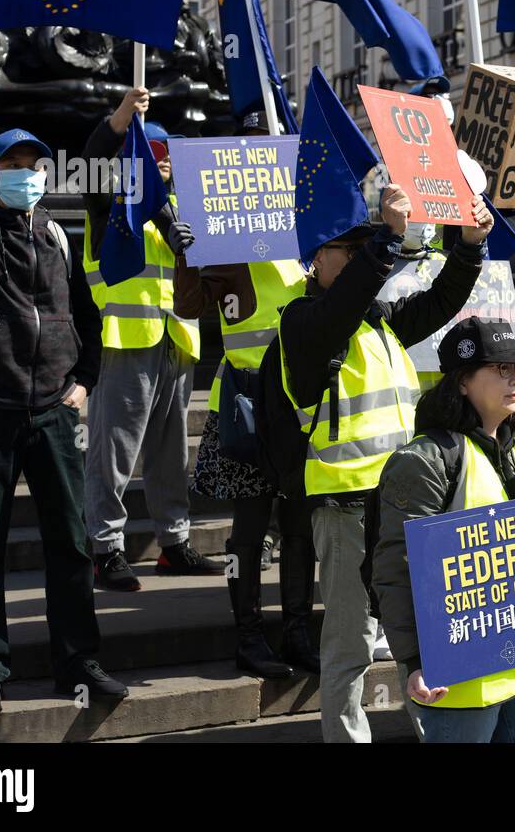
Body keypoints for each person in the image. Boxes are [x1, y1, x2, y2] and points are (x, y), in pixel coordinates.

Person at [266, 187, 492, 742]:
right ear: (317, 259)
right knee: (349, 647)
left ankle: (431, 731)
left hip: (402, 510)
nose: (370, 256)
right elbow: (337, 308)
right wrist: (388, 237)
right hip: (346, 512)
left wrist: (469, 246)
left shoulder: (381, 321)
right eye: (353, 248)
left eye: (370, 246)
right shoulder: (304, 324)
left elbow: (442, 300)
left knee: (418, 634)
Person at [0, 72, 126, 715]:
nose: (27, 175)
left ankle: (79, 660)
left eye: (34, 166)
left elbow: (86, 315)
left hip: (51, 413)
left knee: (71, 544)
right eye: (13, 166)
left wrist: (85, 382)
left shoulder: (55, 236)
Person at [372, 318, 515, 743]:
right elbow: (395, 570)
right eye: (500, 368)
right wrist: (414, 659)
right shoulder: (425, 461)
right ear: (462, 382)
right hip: (460, 675)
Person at [78, 88, 222, 590]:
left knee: (169, 454)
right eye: (150, 154)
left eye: (167, 155)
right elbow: (93, 159)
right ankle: (105, 549)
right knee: (111, 454)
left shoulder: (181, 213)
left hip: (177, 342)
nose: (161, 164)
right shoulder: (109, 206)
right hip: (125, 341)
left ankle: (174, 544)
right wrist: (119, 119)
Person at [172, 207, 318, 679]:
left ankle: (297, 635)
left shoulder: (308, 242)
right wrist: (186, 256)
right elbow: (190, 306)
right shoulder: (228, 249)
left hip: (300, 408)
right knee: (249, 531)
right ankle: (250, 638)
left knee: (298, 526)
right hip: (247, 409)